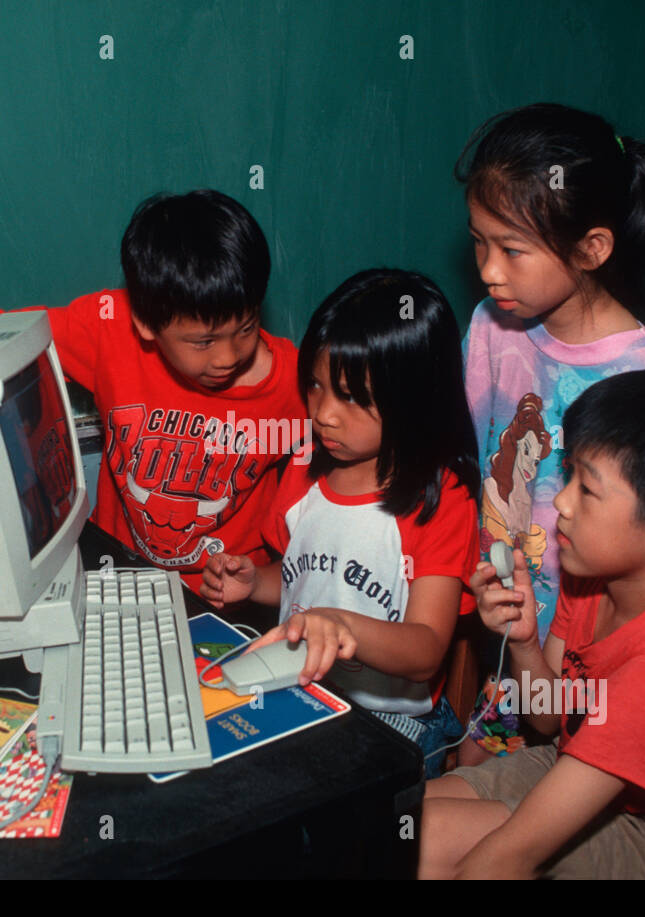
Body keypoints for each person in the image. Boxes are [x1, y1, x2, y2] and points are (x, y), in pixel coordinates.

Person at [418, 364, 645, 879]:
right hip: (575, 761)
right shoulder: (593, 576)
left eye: (588, 489)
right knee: (399, 822)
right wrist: (522, 642)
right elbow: (546, 720)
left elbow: (502, 862)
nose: (560, 501)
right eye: (570, 474)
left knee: (429, 850)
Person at [0, 189, 305, 593]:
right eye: (203, 342)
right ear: (146, 324)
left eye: (246, 329)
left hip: (227, 596)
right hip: (117, 571)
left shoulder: (297, 382)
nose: (228, 356)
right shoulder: (109, 328)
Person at [456, 103, 645, 763]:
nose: (490, 270)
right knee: (461, 790)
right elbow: (480, 462)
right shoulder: (492, 327)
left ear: (593, 247)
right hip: (505, 636)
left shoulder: (643, 377)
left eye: (512, 249)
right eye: (478, 241)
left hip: (584, 669)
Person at [201, 269, 480, 776]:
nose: (324, 413)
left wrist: (342, 626)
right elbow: (300, 576)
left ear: (414, 399)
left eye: (351, 396)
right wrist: (253, 583)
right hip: (306, 692)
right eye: (314, 385)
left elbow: (425, 649)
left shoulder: (442, 503)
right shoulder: (302, 472)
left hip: (394, 722)